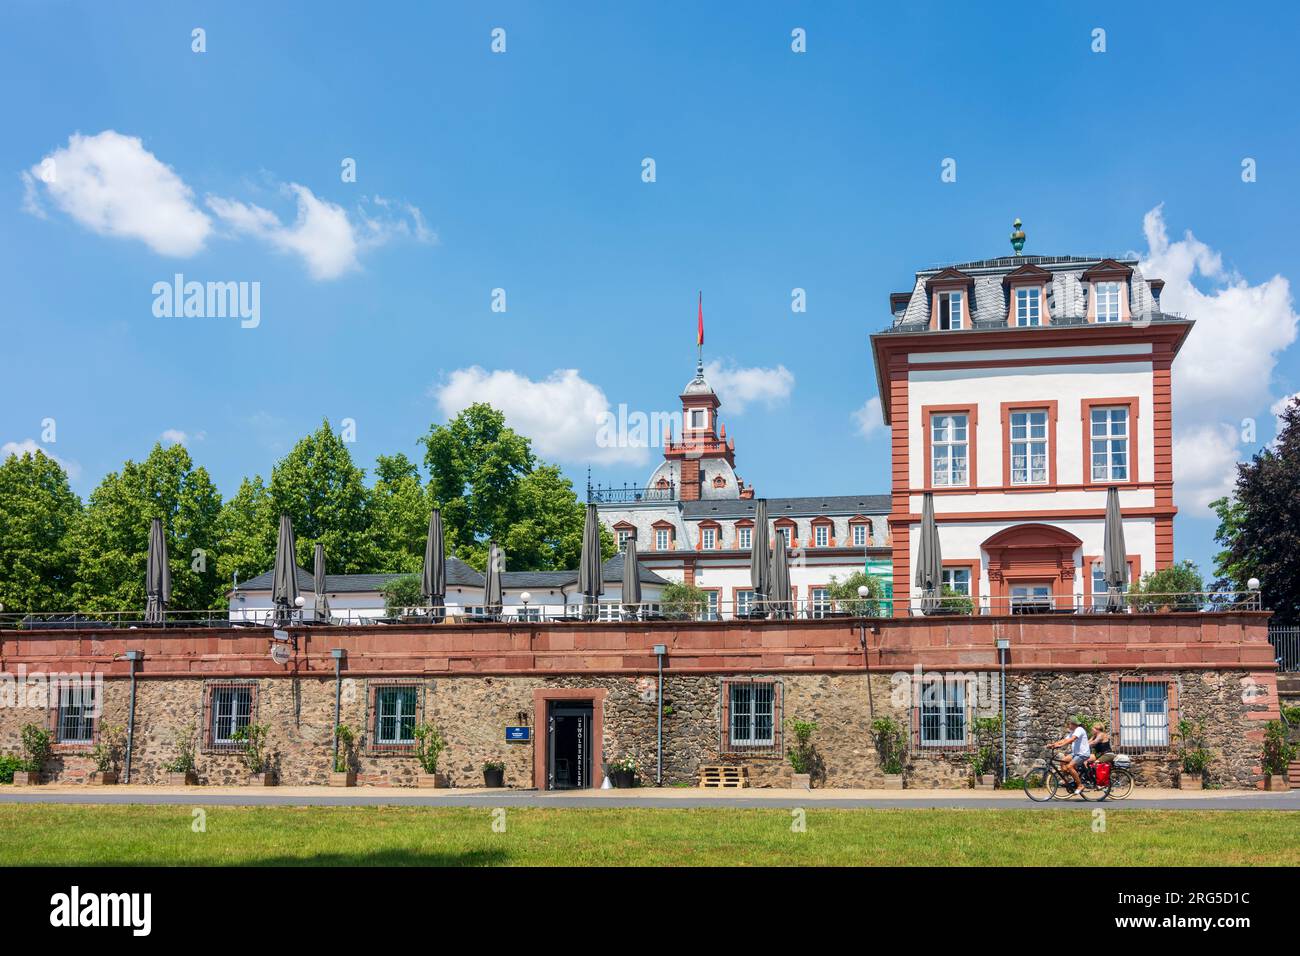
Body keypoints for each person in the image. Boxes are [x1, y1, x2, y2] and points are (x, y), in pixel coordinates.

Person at [1048, 718, 1090, 793]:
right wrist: (1053, 745)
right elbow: (1065, 740)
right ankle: (1068, 780)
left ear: (1073, 724)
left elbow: (1072, 739)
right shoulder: (1073, 732)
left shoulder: (1079, 729)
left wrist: (1060, 746)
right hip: (1075, 754)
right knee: (1063, 761)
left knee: (1070, 766)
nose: (1068, 726)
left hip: (1083, 754)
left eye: (1069, 724)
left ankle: (1080, 785)